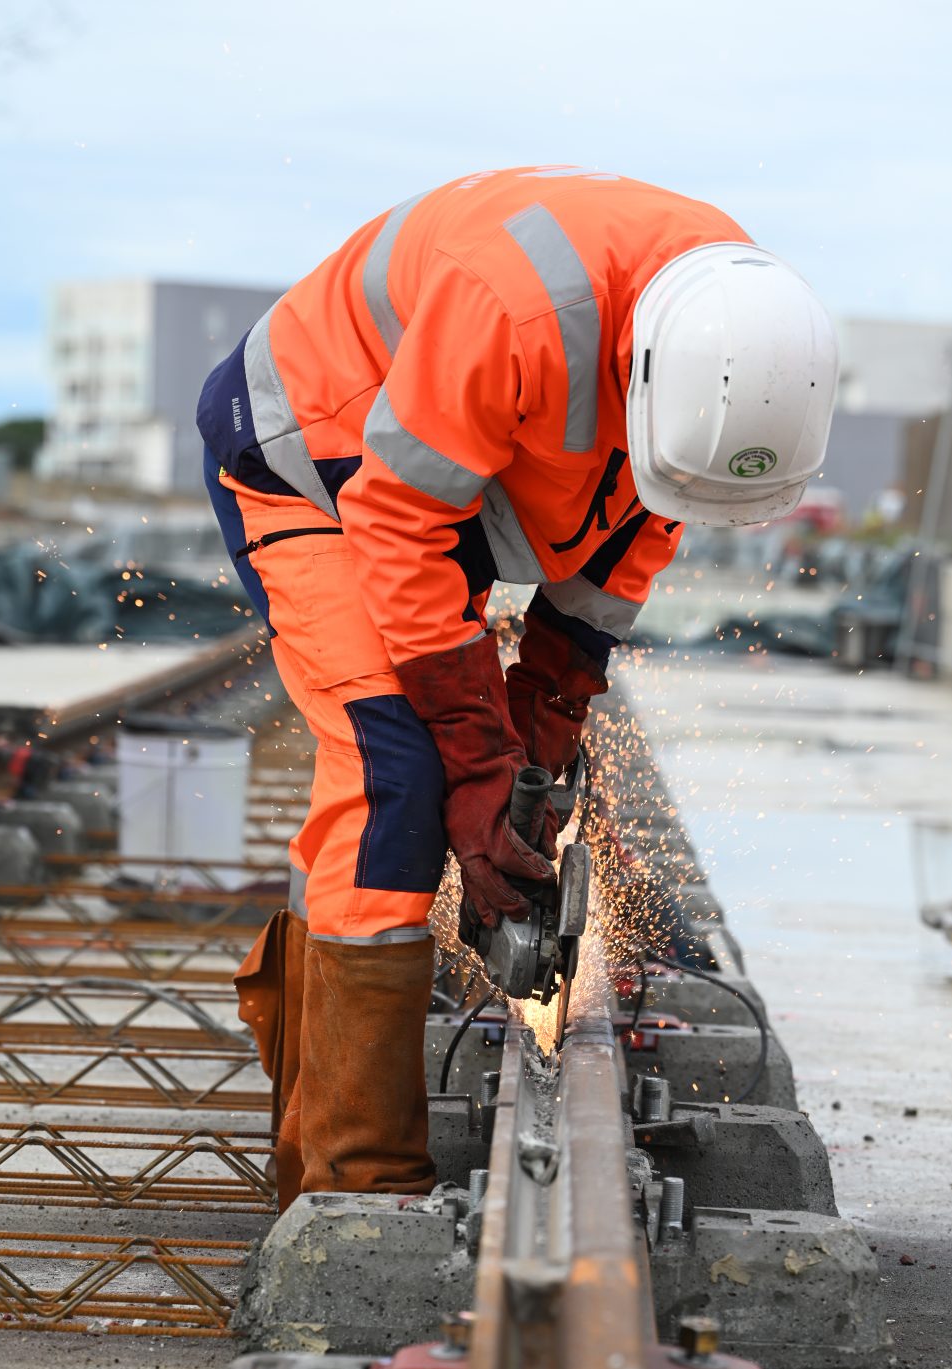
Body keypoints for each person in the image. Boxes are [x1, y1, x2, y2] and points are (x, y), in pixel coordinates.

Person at [197, 166, 838, 1211]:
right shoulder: (516, 307)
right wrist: (473, 752)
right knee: (393, 771)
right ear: (642, 373)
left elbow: (622, 549)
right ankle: (357, 1182)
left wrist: (537, 742)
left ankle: (324, 1125)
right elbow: (402, 524)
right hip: (315, 462)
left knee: (460, 765)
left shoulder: (734, 344)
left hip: (448, 486)